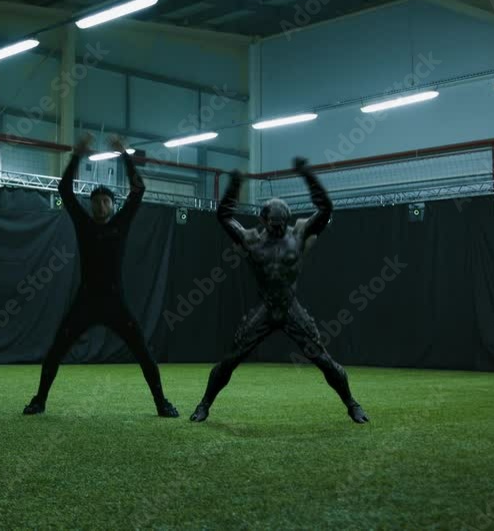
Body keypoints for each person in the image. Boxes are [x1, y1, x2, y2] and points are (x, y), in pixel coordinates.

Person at [190, 156, 368, 424]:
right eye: (273, 223)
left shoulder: (298, 234)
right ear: (263, 220)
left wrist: (307, 174)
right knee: (229, 361)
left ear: (287, 220)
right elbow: (224, 215)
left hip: (289, 307)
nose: (277, 228)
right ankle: (204, 405)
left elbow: (325, 208)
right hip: (265, 309)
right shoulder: (251, 239)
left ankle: (352, 404)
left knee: (324, 362)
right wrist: (235, 184)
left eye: (281, 223)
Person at [24, 135, 179, 417]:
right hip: (85, 301)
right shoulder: (83, 224)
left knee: (143, 351)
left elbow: (138, 188)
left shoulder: (120, 223)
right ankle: (39, 401)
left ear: (112, 205)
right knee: (56, 350)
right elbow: (64, 190)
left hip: (115, 302)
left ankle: (162, 404)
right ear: (91, 205)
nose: (100, 205)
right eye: (96, 201)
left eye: (106, 201)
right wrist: (76, 155)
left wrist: (124, 156)